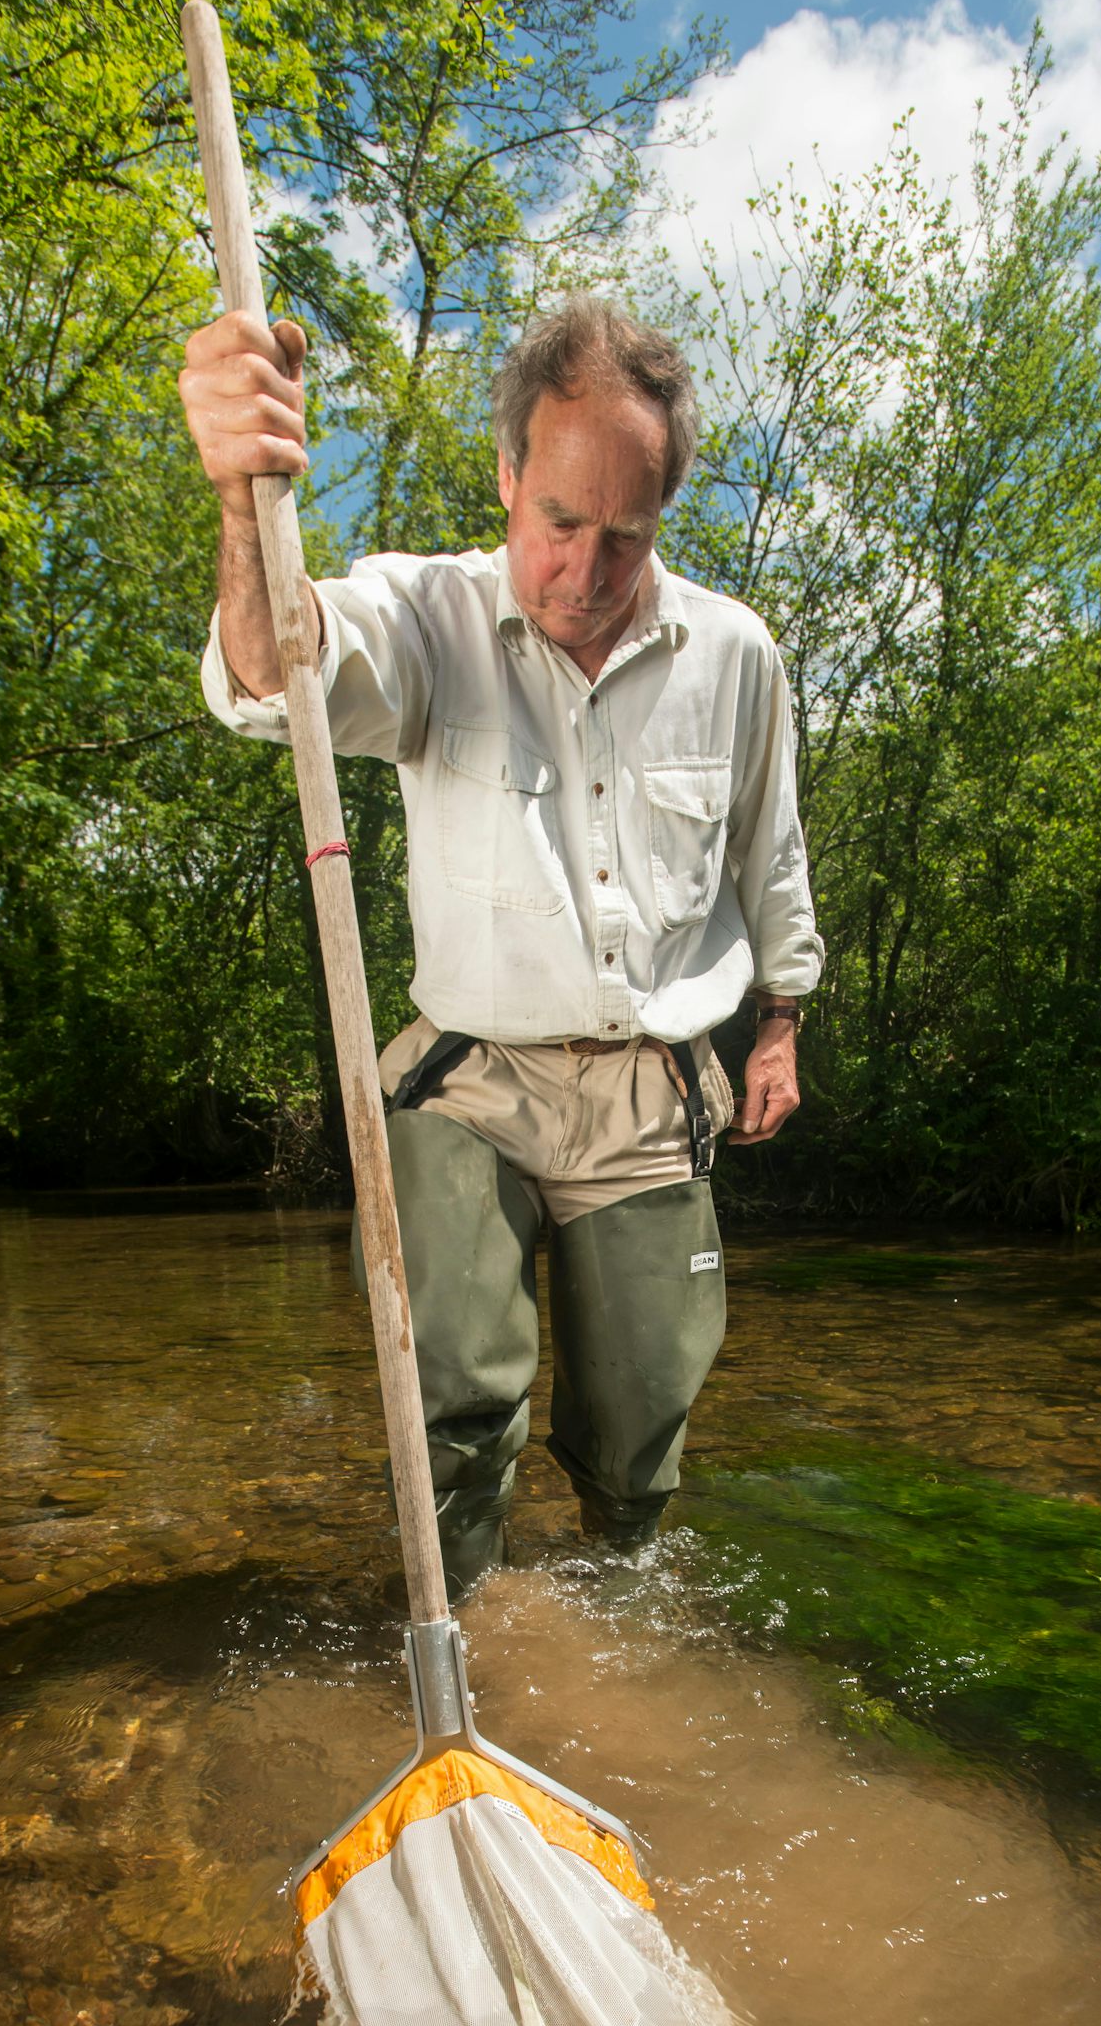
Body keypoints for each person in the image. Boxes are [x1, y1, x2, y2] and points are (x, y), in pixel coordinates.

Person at [179, 292, 821, 1595]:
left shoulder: (737, 655)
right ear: (507, 477)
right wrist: (244, 501)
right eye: (560, 523)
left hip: (652, 1088)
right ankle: (463, 1635)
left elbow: (772, 855)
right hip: (470, 1079)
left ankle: (615, 1640)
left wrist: (780, 1024)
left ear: (665, 513)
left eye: (625, 536)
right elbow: (270, 674)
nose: (585, 573)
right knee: (456, 1406)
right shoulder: (426, 617)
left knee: (639, 1440)